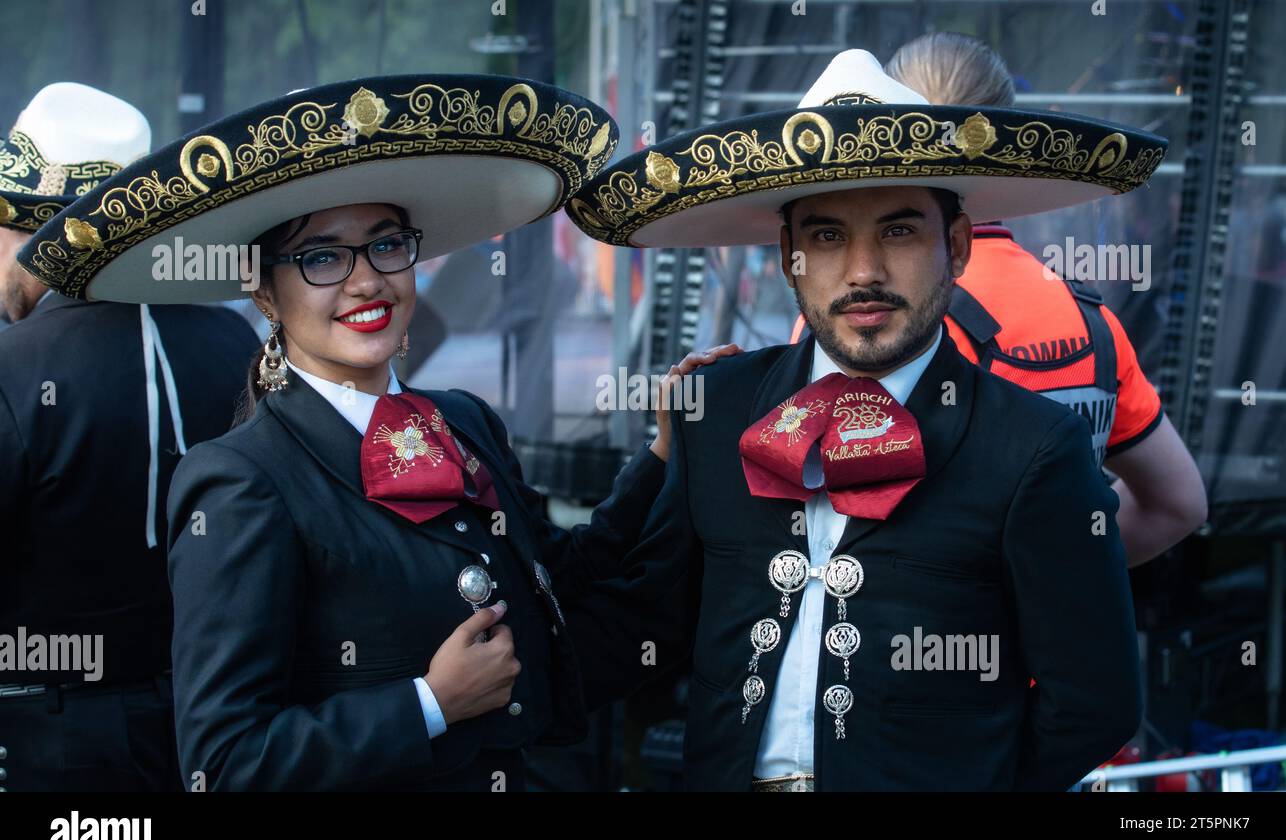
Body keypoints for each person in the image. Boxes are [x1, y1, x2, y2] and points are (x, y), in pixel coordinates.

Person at [18, 73, 736, 791]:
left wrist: (660, 450)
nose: (366, 281)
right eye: (322, 256)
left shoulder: (464, 419)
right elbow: (225, 760)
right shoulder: (242, 479)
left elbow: (559, 576)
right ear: (265, 291)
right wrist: (428, 704)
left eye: (386, 245)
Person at [565, 49, 1164, 790]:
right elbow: (639, 629)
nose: (862, 271)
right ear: (788, 255)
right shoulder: (713, 411)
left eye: (899, 231)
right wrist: (433, 698)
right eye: (825, 237)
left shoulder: (1034, 447)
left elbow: (1095, 702)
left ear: (956, 245)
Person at [0, 83, 258, 791]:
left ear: (34, 231)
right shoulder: (235, 337)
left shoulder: (10, 368)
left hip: (47, 745)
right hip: (216, 728)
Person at [885, 32, 1207, 566]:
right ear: (1005, 134)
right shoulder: (1090, 318)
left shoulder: (862, 317)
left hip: (898, 645)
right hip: (1052, 642)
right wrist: (1051, 575)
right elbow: (1179, 505)